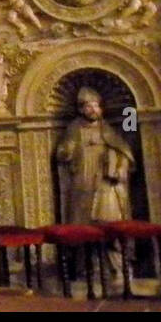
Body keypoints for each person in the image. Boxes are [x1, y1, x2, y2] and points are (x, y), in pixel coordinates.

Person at [56, 87, 134, 224]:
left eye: (96, 106)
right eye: (88, 106)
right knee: (82, 211)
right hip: (83, 174)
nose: (93, 110)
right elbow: (62, 153)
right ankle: (84, 243)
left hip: (105, 176)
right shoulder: (74, 128)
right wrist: (69, 149)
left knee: (109, 212)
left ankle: (112, 243)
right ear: (81, 110)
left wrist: (120, 166)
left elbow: (123, 150)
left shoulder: (107, 129)